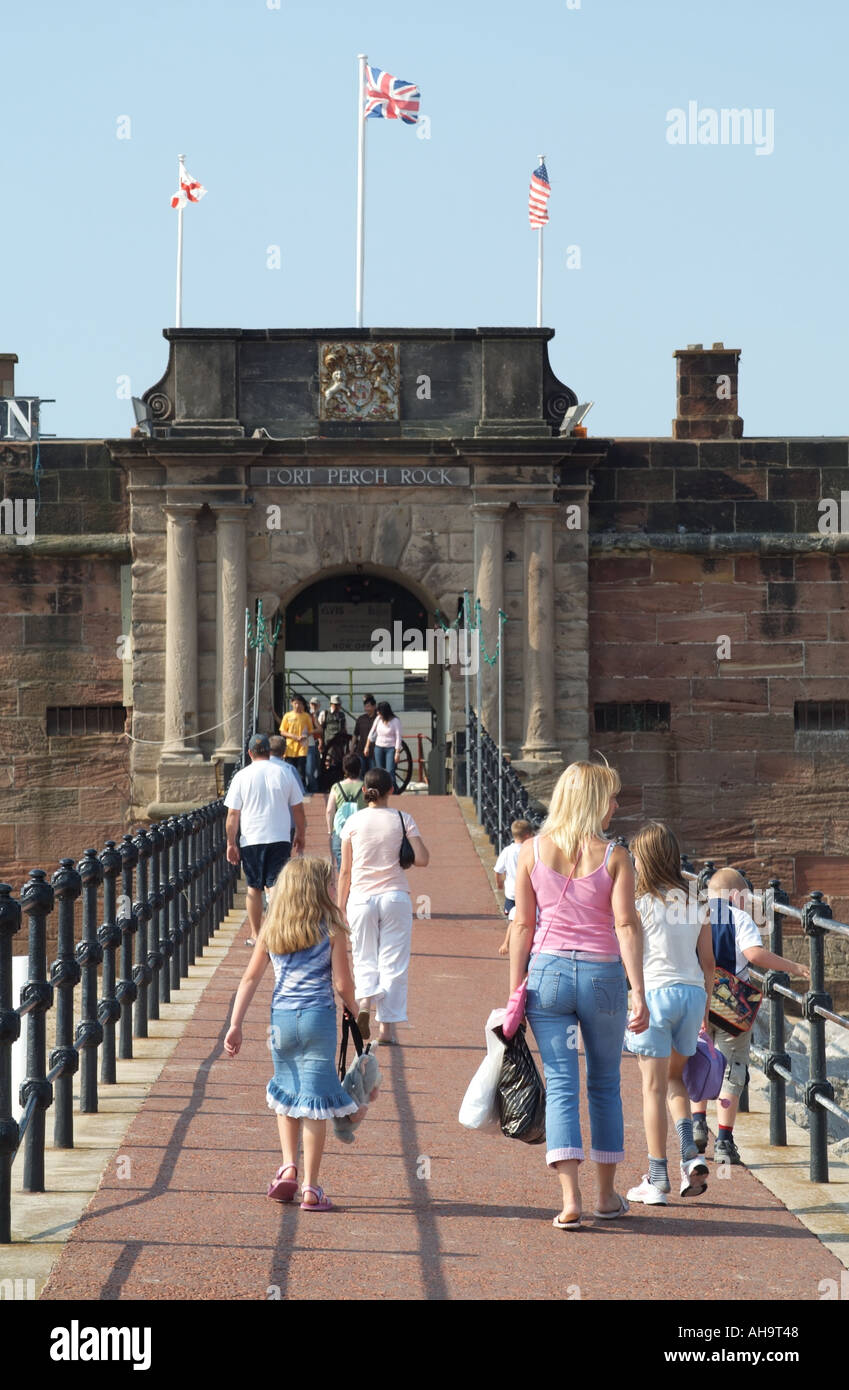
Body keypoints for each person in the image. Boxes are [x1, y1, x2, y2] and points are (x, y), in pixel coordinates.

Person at [510, 760, 649, 1230]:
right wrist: (639, 992)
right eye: (610, 798)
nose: (615, 807)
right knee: (605, 1084)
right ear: (592, 801)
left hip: (547, 974)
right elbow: (626, 925)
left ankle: (570, 1201)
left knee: (563, 1085)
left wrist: (515, 990)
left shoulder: (530, 851)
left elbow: (523, 925)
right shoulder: (615, 855)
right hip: (602, 976)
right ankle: (606, 1197)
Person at [223, 856, 359, 1211]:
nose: (333, 888)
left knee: (286, 1089)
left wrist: (235, 1024)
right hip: (318, 1018)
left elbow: (250, 978)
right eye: (329, 883)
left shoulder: (272, 927)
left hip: (280, 1019)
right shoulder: (332, 925)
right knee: (316, 1103)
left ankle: (288, 1167)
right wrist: (357, 1015)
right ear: (317, 889)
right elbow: (343, 983)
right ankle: (311, 1189)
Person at [691, 867, 809, 1165]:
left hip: (697, 998)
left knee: (699, 1060)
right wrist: (792, 967)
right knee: (733, 1067)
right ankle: (725, 1140)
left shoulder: (695, 914)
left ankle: (696, 1122)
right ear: (734, 896)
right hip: (730, 1000)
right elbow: (754, 955)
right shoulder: (738, 917)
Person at [623, 822, 715, 1206]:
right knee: (676, 1080)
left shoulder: (638, 901)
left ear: (641, 858)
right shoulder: (697, 899)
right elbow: (708, 962)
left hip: (655, 993)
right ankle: (690, 1155)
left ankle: (657, 1177)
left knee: (652, 1089)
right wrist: (706, 1008)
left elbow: (627, 951)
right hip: (692, 995)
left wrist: (634, 995)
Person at [336, 767, 429, 1045]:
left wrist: (340, 907)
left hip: (361, 898)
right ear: (391, 790)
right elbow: (423, 858)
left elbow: (345, 872)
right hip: (394, 897)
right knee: (394, 962)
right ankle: (387, 1029)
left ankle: (364, 1004)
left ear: (365, 792)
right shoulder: (403, 819)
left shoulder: (352, 822)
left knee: (364, 957)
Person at [224, 734, 306, 947]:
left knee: (254, 887)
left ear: (250, 753)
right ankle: (277, 930)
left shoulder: (241, 776)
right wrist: (300, 833)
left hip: (252, 837)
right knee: (276, 886)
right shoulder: (284, 772)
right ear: (269, 752)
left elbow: (233, 814)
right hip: (279, 836)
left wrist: (231, 843)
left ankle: (256, 934)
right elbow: (298, 808)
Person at [496, 819, 534, 956]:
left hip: (511, 892)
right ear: (528, 836)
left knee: (515, 919)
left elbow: (498, 870)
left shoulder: (507, 851)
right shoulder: (529, 850)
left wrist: (499, 883)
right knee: (522, 919)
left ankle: (510, 944)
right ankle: (509, 944)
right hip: (527, 892)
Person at [326, 753, 365, 868]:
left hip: (341, 830)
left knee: (342, 865)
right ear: (359, 768)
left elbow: (329, 810)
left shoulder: (336, 787)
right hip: (361, 830)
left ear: (344, 769)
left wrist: (330, 830)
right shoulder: (365, 786)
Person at [279, 694, 312, 786]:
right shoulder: (287, 716)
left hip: (302, 748)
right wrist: (294, 737)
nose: (297, 706)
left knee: (301, 771)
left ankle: (301, 789)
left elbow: (310, 730)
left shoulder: (306, 716)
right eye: (295, 703)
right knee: (290, 771)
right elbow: (282, 731)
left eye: (300, 703)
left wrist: (304, 736)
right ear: (292, 704)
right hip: (290, 748)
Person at [364, 700, 403, 776]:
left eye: (379, 711)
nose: (377, 713)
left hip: (391, 748)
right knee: (379, 772)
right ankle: (381, 787)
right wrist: (367, 746)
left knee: (390, 772)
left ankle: (393, 787)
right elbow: (372, 732)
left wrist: (397, 752)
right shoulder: (378, 719)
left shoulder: (395, 721)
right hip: (378, 747)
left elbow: (398, 737)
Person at [319, 696, 349, 783]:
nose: (337, 706)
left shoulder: (342, 715)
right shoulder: (324, 713)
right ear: (331, 704)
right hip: (328, 744)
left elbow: (345, 729)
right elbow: (320, 730)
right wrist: (320, 742)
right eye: (335, 705)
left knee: (339, 762)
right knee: (327, 763)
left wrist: (346, 744)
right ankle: (327, 781)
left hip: (340, 744)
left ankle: (338, 779)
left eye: (338, 705)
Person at [351, 695, 377, 773]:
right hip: (361, 750)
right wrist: (352, 747)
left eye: (369, 706)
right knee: (361, 772)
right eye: (365, 706)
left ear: (374, 706)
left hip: (373, 752)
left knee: (373, 773)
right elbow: (355, 734)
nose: (367, 709)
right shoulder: (361, 719)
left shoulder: (378, 719)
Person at [305, 697, 324, 792]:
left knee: (314, 767)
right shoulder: (310, 715)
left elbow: (320, 730)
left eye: (315, 704)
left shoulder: (321, 714)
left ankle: (315, 787)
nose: (313, 706)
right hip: (307, 743)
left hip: (314, 743)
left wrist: (320, 740)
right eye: (312, 704)